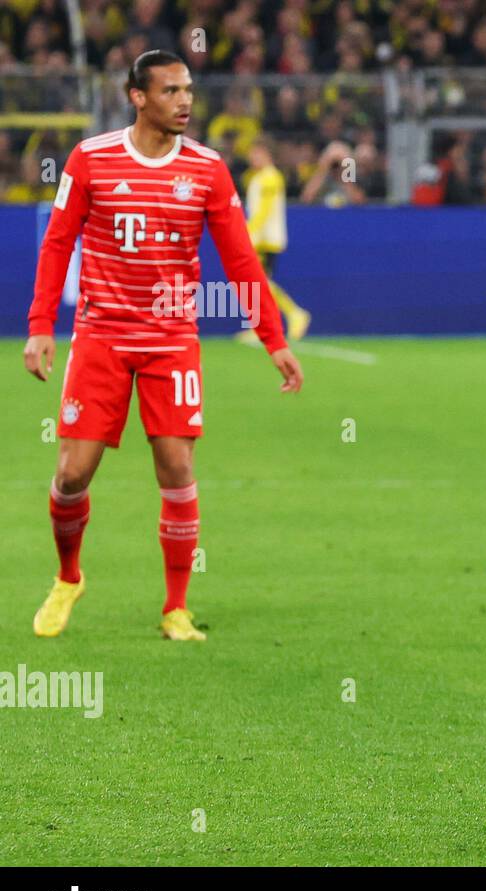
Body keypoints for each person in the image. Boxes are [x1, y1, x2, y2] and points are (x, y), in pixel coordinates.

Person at [23, 50, 303, 642]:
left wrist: (272, 338)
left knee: (176, 467)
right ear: (138, 96)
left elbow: (240, 260)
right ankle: (68, 577)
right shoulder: (92, 158)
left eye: (189, 90)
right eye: (172, 90)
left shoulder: (206, 169)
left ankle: (176, 607)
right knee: (72, 474)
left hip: (172, 341)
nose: (185, 101)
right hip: (100, 338)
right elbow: (57, 243)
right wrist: (41, 325)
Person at [237, 137, 311, 342]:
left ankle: (295, 313)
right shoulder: (259, 177)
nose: (251, 158)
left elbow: (264, 212)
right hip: (259, 237)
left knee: (260, 282)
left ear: (264, 153)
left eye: (254, 153)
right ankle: (260, 325)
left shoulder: (270, 178)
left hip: (265, 238)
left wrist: (248, 232)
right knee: (256, 283)